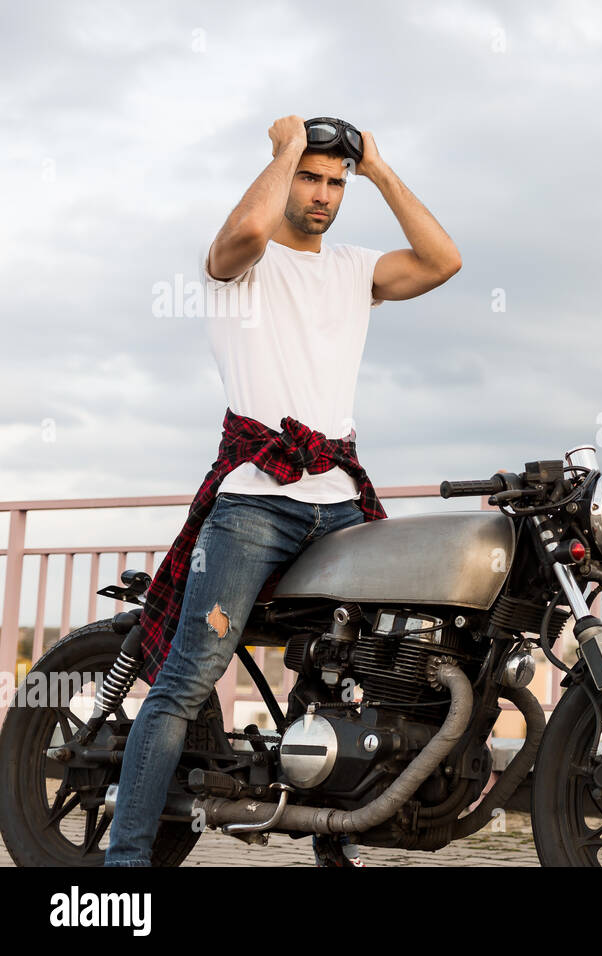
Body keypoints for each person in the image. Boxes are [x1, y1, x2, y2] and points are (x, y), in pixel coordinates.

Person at [103, 115, 461, 867]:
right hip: (254, 502)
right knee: (190, 675)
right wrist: (287, 148)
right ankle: (126, 866)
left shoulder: (355, 270)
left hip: (338, 502)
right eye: (311, 177)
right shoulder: (240, 263)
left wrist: (381, 170)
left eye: (335, 182)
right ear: (286, 173)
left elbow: (443, 260)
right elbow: (243, 231)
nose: (324, 193)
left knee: (345, 668)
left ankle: (330, 835)